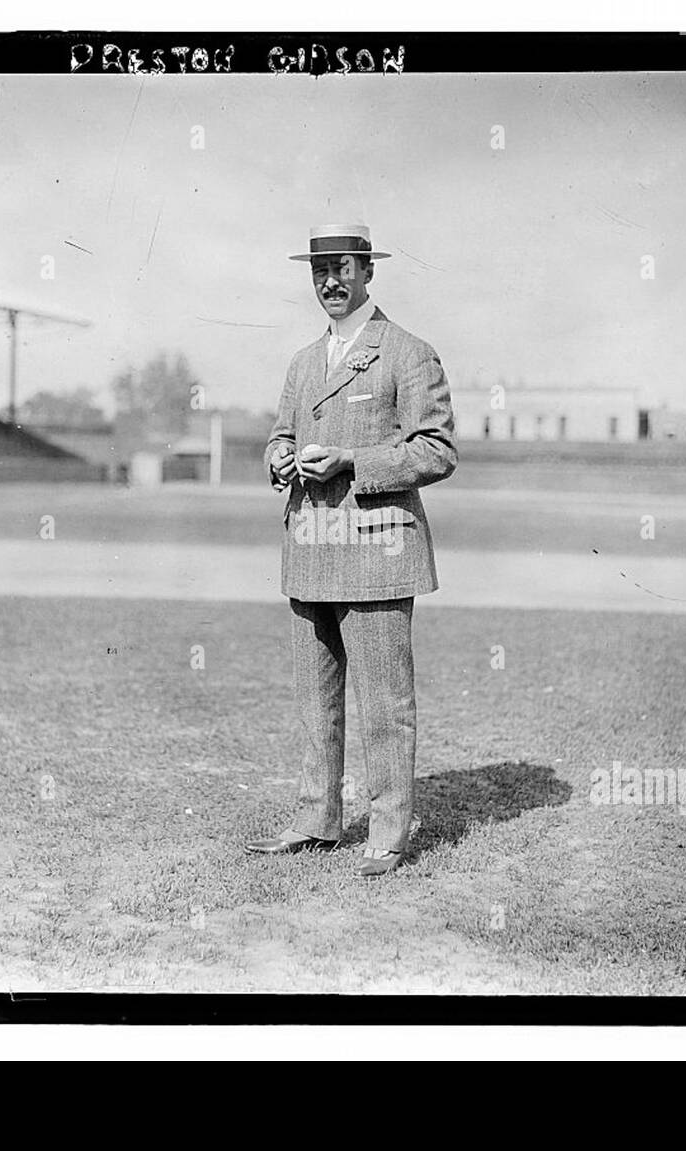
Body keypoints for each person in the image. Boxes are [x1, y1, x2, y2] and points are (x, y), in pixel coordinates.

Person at [245, 223, 457, 878]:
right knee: (316, 699)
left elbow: (438, 449)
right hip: (310, 545)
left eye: (341, 267)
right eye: (318, 271)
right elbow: (279, 437)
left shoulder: (407, 352)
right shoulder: (304, 361)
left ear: (368, 270)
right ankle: (318, 818)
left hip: (375, 549)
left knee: (384, 701)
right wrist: (279, 459)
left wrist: (351, 461)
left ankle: (389, 829)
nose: (330, 282)